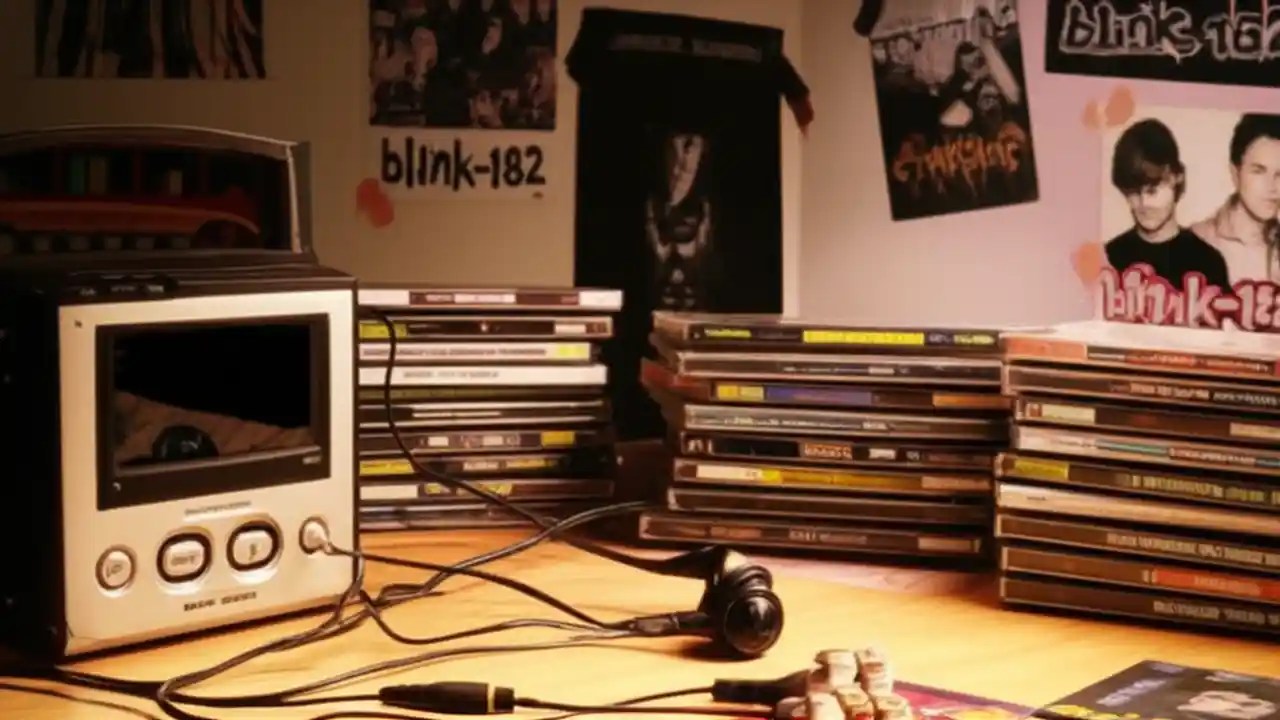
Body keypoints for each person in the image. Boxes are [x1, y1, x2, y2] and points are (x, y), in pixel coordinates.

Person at [1104, 118, 1232, 292]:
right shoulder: (1108, 259)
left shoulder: (1208, 263)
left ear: (1177, 177)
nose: (1143, 204)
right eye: (1133, 192)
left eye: (1152, 190)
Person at [1191, 113, 1280, 286]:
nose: (1273, 187)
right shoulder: (1196, 242)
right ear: (1235, 173)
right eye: (1258, 171)